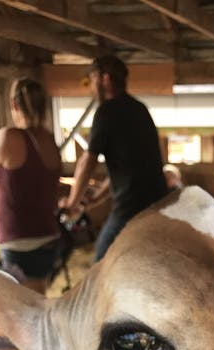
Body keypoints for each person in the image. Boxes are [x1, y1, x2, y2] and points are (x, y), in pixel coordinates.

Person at [62, 55, 167, 261]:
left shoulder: (106, 112)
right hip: (158, 201)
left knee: (100, 263)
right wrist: (98, 196)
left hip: (131, 207)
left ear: (106, 79)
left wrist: (72, 202)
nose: (91, 87)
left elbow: (87, 162)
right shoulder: (140, 109)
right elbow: (130, 165)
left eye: (92, 79)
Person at [0, 77, 61, 292]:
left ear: (14, 105)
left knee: (21, 308)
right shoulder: (49, 140)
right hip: (48, 236)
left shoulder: (8, 137)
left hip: (18, 239)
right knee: (38, 297)